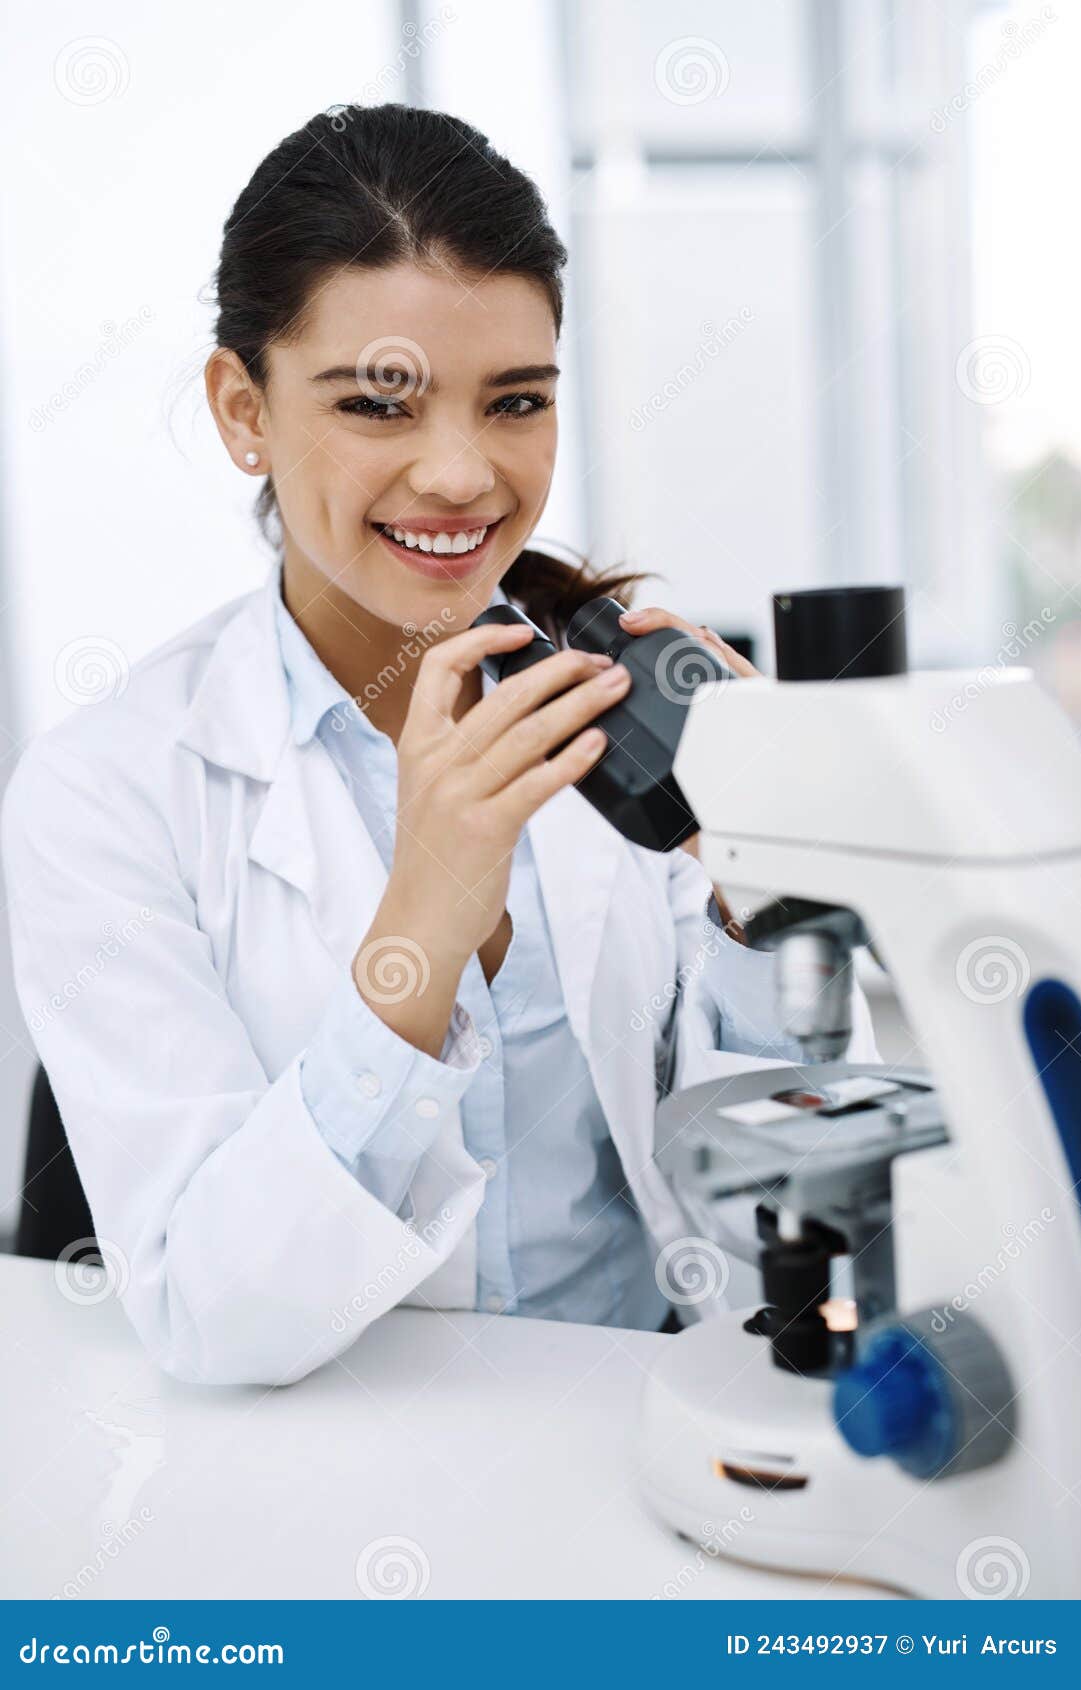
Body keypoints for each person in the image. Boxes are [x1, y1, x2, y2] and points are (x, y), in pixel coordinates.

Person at [1, 104, 878, 1387]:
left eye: (514, 400)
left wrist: (768, 900)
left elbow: (778, 1261)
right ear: (243, 409)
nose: (464, 475)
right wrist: (423, 919)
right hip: (336, 1483)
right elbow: (215, 1318)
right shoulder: (108, 791)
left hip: (630, 1435)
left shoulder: (628, 713)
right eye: (378, 405)